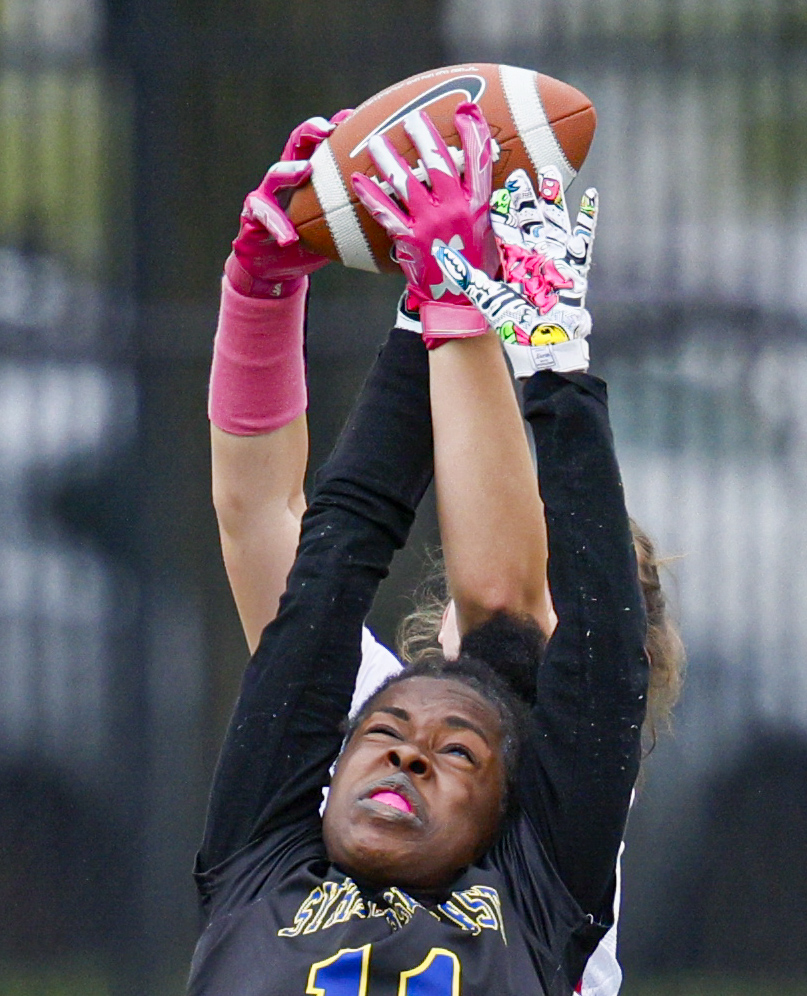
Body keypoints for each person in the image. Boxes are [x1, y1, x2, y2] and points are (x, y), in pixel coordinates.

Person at [188, 104, 648, 995]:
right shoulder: (300, 815)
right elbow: (290, 535)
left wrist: (487, 325)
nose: (406, 750)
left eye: (459, 753)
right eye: (390, 730)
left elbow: (516, 609)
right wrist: (264, 290)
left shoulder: (544, 868)